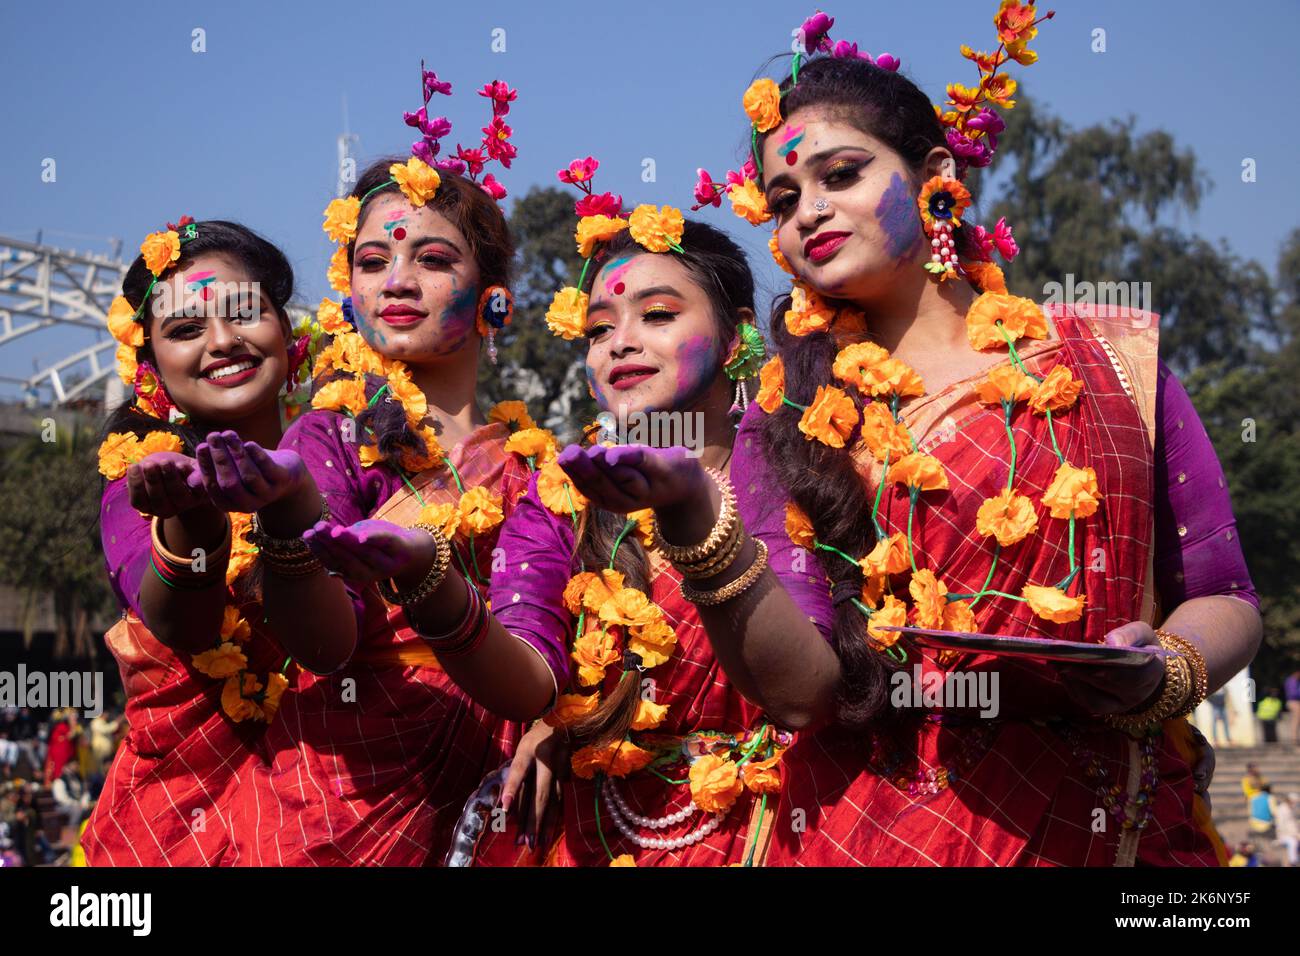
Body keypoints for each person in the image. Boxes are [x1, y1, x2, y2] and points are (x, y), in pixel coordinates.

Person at [662, 8, 1262, 865]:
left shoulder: (1114, 359)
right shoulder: (785, 417)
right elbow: (802, 695)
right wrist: (698, 525)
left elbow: (1227, 594)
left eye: (842, 174)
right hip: (870, 832)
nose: (810, 213)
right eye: (786, 198)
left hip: (1111, 824)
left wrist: (1165, 669)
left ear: (935, 173)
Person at [221, 70, 553, 865]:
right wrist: (293, 518)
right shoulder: (327, 438)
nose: (397, 281)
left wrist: (554, 717)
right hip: (336, 797)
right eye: (372, 262)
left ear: (495, 301)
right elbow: (322, 642)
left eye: (432, 259)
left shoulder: (539, 468)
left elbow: (546, 647)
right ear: (349, 291)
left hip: (491, 790)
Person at [474, 209, 776, 866]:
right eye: (600, 330)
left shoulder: (806, 473)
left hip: (790, 831)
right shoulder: (562, 500)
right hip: (603, 838)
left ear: (737, 338)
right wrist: (437, 596)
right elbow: (529, 662)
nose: (620, 343)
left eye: (659, 315)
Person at [81, 217, 314, 865]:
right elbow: (177, 621)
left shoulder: (352, 450)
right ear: (151, 366)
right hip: (179, 831)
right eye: (185, 330)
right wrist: (195, 525)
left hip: (357, 802)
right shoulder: (142, 476)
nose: (222, 342)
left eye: (244, 313)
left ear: (286, 328)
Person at [1275, 792, 1298, 866]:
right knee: (1293, 842)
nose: (1296, 804)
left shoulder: (1291, 809)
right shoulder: (1281, 810)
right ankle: (1293, 862)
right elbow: (1281, 826)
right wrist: (1294, 834)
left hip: (1293, 832)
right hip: (1284, 834)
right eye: (1295, 802)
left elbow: (1293, 823)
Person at [1286, 670, 1300, 746]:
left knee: (1296, 721)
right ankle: (1294, 740)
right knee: (1296, 721)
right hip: (1294, 702)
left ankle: (1295, 739)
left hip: (1295, 702)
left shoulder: (1294, 681)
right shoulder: (1292, 681)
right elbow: (1293, 693)